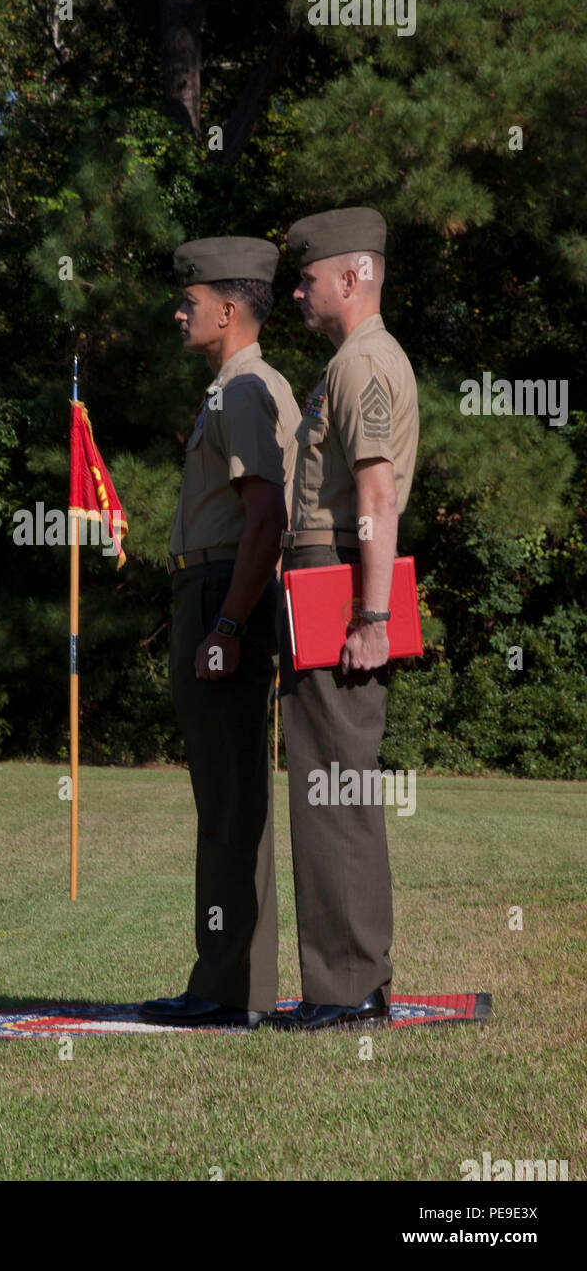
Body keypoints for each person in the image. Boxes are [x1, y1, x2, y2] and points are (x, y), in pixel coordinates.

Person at [141, 237, 301, 1029]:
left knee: (229, 800)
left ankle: (225, 988)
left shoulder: (242, 389)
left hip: (219, 591)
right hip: (211, 589)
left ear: (228, 310)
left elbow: (263, 517)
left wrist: (229, 621)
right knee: (230, 797)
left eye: (192, 301)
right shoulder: (239, 386)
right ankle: (234, 981)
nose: (180, 310)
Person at [273, 207, 419, 1031]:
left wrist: (371, 614)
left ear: (353, 275)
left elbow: (375, 493)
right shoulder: (356, 359)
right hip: (328, 583)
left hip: (340, 586)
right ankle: (349, 982)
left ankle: (349, 988)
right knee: (332, 786)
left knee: (335, 790)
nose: (299, 291)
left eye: (308, 277)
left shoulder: (362, 362)